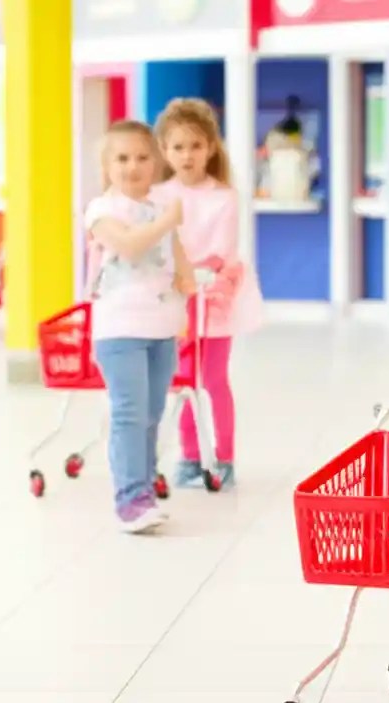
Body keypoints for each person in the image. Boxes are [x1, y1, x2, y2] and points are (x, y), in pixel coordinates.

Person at [84, 120, 195, 533]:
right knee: (129, 412)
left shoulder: (158, 210)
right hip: (119, 328)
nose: (133, 167)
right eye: (123, 158)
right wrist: (169, 220)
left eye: (143, 157)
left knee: (151, 412)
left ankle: (145, 488)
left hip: (161, 326)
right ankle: (131, 499)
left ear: (156, 162)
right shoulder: (101, 210)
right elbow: (130, 246)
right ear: (107, 165)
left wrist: (187, 277)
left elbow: (176, 251)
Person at [152, 98, 263, 490]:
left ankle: (225, 456)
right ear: (164, 150)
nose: (187, 156)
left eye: (196, 146)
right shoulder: (157, 195)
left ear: (211, 148)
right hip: (175, 302)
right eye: (178, 147)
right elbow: (157, 244)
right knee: (184, 381)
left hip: (214, 299)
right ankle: (190, 455)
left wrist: (194, 270)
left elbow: (221, 251)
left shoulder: (224, 196)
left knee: (213, 378)